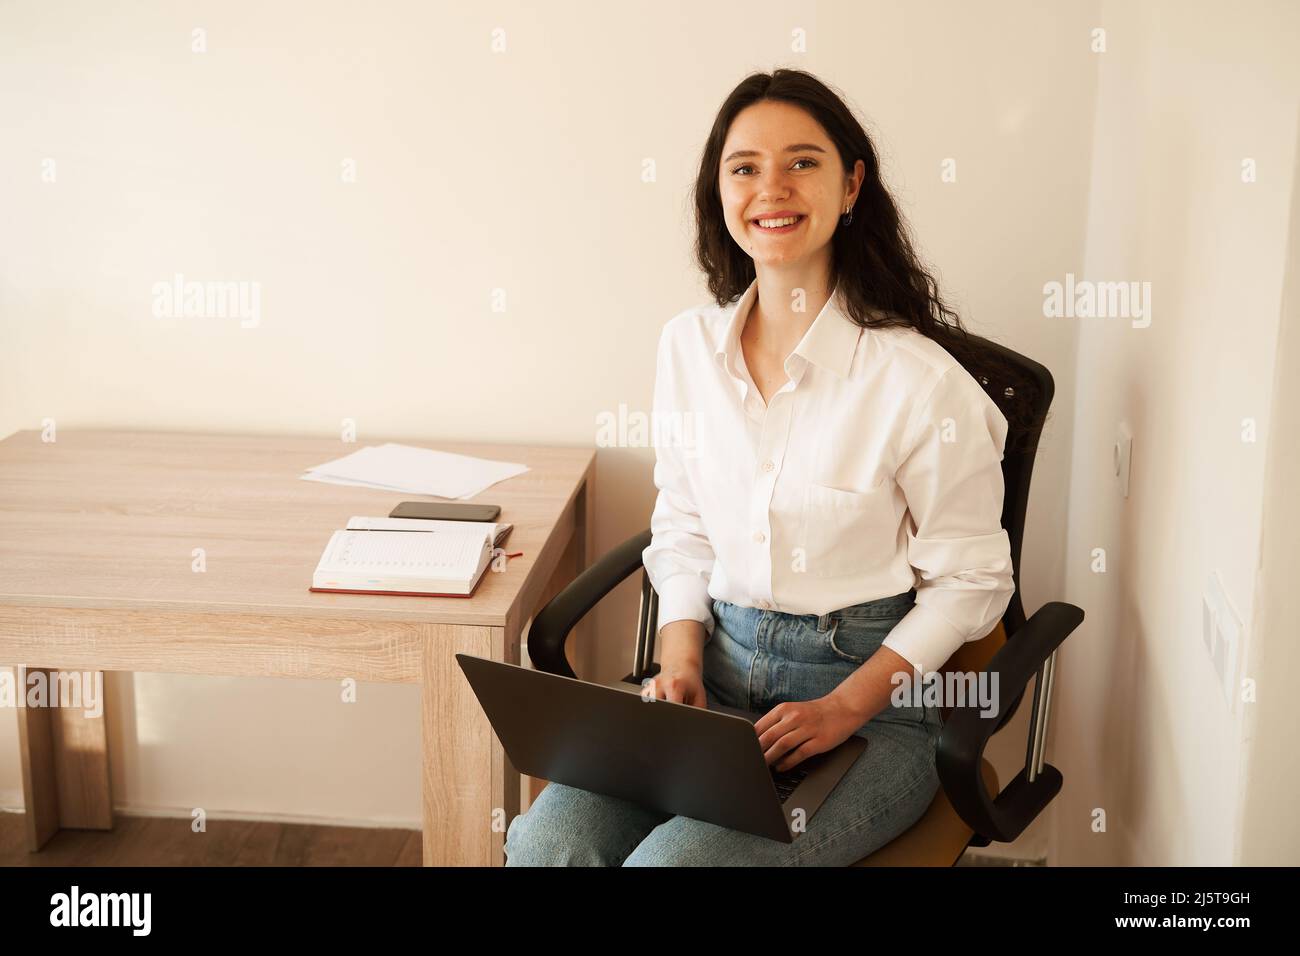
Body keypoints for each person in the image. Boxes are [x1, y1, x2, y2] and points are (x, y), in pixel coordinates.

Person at [506, 68, 1015, 866]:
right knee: (546, 849)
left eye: (802, 162)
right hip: (714, 685)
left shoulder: (920, 385)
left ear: (851, 186)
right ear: (719, 194)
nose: (770, 188)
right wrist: (678, 663)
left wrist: (845, 706)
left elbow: (973, 584)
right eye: (744, 168)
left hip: (873, 710)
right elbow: (682, 525)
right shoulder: (687, 348)